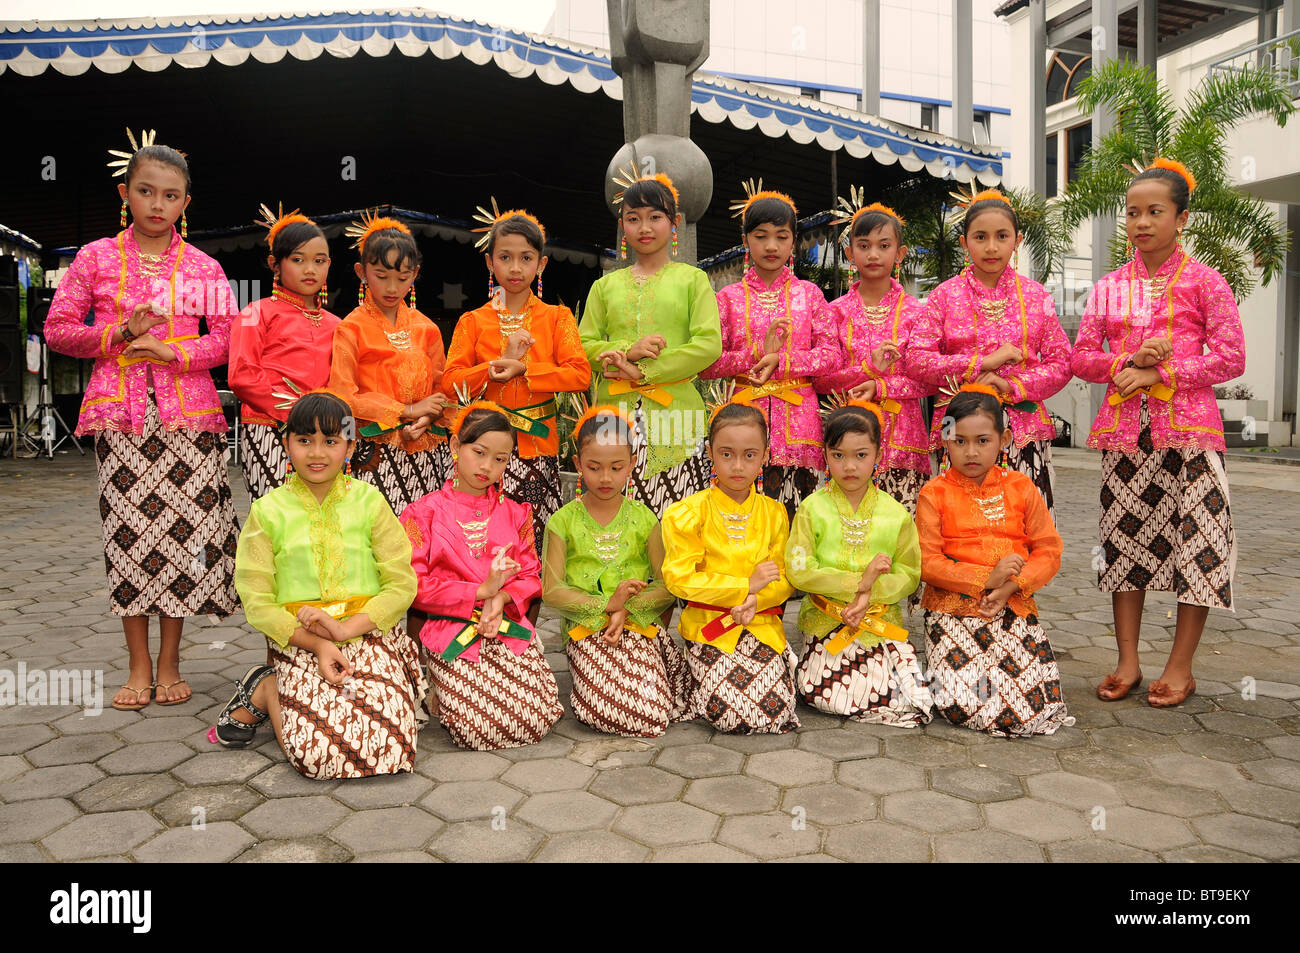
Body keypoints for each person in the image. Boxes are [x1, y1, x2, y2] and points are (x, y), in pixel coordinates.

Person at [44, 129, 239, 711]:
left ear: (185, 203)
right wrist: (121, 334)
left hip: (190, 418)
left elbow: (227, 340)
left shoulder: (203, 266)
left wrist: (175, 352)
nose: (158, 205)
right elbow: (58, 330)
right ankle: (137, 665)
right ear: (125, 192)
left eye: (171, 195)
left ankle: (172, 662)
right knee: (128, 538)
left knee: (181, 539)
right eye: (146, 191)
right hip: (120, 414)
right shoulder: (95, 258)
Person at [1072, 158, 1243, 708]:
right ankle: (1127, 660)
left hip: (1191, 434)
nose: (1141, 222)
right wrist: (1128, 360)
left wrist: (1163, 371)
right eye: (1132, 212)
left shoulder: (1205, 282)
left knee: (1199, 546)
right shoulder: (1108, 287)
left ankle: (1181, 666)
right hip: (1125, 433)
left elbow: (1233, 357)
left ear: (1182, 217)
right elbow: (1080, 356)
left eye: (1154, 211)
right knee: (1125, 545)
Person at [214, 392, 426, 778]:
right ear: (286, 444)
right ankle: (268, 688)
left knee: (393, 748)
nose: (317, 453)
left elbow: (401, 583)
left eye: (331, 441)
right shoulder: (268, 511)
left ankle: (272, 691)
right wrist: (319, 642)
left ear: (350, 446)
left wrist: (346, 630)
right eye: (304, 440)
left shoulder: (370, 501)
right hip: (300, 639)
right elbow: (257, 600)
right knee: (318, 756)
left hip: (365, 633)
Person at [401, 403, 563, 750]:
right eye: (479, 452)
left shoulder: (517, 512)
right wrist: (479, 591)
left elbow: (532, 576)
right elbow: (414, 587)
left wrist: (500, 597)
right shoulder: (422, 512)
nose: (488, 467)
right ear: (455, 446)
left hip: (505, 626)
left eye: (501, 459)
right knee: (477, 730)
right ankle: (435, 685)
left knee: (539, 716)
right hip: (449, 632)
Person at [916, 387, 1072, 737]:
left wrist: (1010, 586)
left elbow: (1049, 550)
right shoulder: (934, 493)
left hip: (1013, 603)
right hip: (951, 609)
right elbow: (928, 563)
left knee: (1036, 706)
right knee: (962, 704)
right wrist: (987, 578)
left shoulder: (1022, 487)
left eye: (983, 440)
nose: (971, 452)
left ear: (1005, 439)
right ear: (944, 441)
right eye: (959, 441)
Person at [909, 189, 1073, 519]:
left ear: (1018, 240)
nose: (992, 247)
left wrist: (1009, 385)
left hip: (1024, 434)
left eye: (1002, 236)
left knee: (1023, 528)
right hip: (960, 435)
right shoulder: (945, 296)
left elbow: (1063, 361)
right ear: (964, 242)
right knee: (961, 528)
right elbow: (916, 360)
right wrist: (979, 365)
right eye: (980, 237)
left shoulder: (1035, 295)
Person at [443, 202, 590, 544]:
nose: (515, 267)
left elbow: (580, 374)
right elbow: (450, 383)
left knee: (531, 542)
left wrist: (524, 369)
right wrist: (493, 368)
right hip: (482, 451)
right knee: (480, 539)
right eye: (505, 257)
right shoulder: (473, 321)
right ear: (489, 262)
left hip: (536, 446)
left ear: (541, 264)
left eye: (526, 258)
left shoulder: (557, 318)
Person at [578, 171, 722, 516]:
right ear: (622, 226)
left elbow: (709, 344)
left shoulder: (693, 280)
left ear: (675, 224)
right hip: (614, 412)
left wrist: (643, 370)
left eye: (655, 217)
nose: (644, 227)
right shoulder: (605, 286)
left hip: (676, 411)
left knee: (677, 515)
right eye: (633, 218)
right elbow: (581, 346)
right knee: (613, 510)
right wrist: (627, 350)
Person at [542, 404, 689, 736]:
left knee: (650, 710)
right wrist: (608, 606)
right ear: (578, 464)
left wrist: (628, 609)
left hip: (636, 625)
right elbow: (551, 589)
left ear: (632, 465)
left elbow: (667, 585)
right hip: (587, 629)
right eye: (594, 467)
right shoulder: (562, 521)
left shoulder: (645, 518)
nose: (605, 477)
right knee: (611, 711)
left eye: (616, 467)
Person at [787, 402, 930, 726]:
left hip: (878, 618)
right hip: (826, 619)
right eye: (838, 455)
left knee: (896, 695)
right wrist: (858, 583)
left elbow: (909, 573)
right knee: (824, 694)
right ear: (825, 455)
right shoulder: (812, 509)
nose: (849, 466)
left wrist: (869, 592)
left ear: (878, 455)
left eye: (861, 455)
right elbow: (798, 570)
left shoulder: (894, 514)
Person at [661, 402, 799, 733]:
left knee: (772, 713)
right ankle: (697, 685)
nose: (737, 465)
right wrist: (744, 588)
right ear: (709, 452)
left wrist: (756, 600)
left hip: (761, 624)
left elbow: (784, 579)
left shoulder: (775, 513)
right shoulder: (686, 513)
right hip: (710, 629)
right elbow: (679, 580)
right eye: (726, 454)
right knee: (731, 716)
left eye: (749, 455)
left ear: (765, 454)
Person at [704, 182, 839, 518]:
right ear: (745, 239)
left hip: (800, 424)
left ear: (794, 240)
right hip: (741, 421)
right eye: (761, 235)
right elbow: (707, 363)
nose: (771, 245)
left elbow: (832, 355)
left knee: (797, 517)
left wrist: (783, 360)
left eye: (781, 236)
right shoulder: (728, 298)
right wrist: (753, 354)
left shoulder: (809, 295)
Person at [817, 197, 933, 515]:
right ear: (849, 253)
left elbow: (928, 379)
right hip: (846, 445)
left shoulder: (917, 312)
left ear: (900, 254)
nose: (873, 254)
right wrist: (868, 370)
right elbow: (821, 379)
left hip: (903, 441)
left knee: (900, 533)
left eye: (884, 245)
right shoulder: (833, 312)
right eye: (864, 245)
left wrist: (881, 388)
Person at [329, 211, 449, 513]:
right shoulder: (350, 328)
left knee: (421, 541)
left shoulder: (427, 329)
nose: (393, 288)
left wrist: (427, 416)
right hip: (375, 456)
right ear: (361, 271)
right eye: (381, 277)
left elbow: (443, 391)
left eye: (403, 277)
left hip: (427, 454)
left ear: (415, 273)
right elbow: (342, 397)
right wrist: (405, 411)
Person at [228, 203, 340, 499]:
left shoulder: (339, 325)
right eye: (298, 259)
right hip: (271, 428)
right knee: (277, 519)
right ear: (275, 264)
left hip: (327, 434)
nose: (310, 269)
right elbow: (242, 376)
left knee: (325, 518)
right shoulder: (254, 311)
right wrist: (297, 413)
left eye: (319, 261)